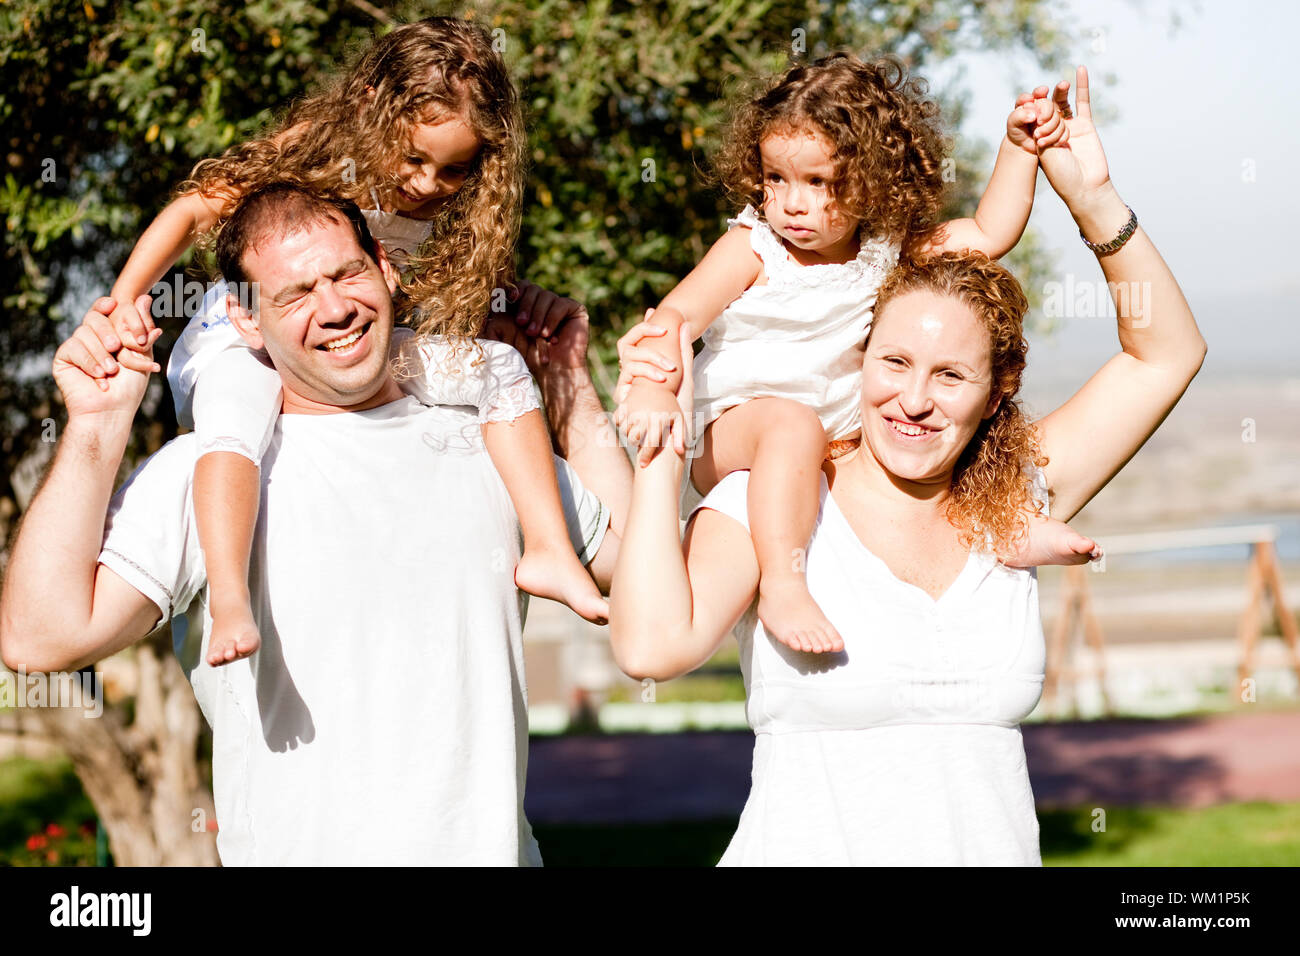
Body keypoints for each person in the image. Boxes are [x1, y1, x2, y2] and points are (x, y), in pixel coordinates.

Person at [608, 67, 1206, 865]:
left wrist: (1090, 196)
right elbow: (650, 651)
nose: (913, 400)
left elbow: (1166, 355)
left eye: (950, 375)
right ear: (860, 356)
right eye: (891, 361)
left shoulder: (1010, 493)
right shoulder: (774, 502)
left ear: (998, 393)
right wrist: (660, 435)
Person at [0, 185, 632, 865]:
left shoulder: (498, 448)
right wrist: (96, 426)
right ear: (245, 323)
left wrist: (571, 387)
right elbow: (39, 641)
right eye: (294, 294)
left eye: (347, 273)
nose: (334, 310)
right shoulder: (209, 475)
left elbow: (644, 582)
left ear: (386, 270)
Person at [80, 16, 607, 670]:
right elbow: (194, 210)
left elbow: (418, 308)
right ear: (370, 109)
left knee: (497, 370)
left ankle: (552, 548)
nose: (425, 184)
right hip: (239, 337)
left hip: (346, 350)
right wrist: (128, 295)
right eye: (413, 158)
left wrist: (495, 326)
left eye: (453, 171)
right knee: (236, 423)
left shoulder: (456, 217)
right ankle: (228, 594)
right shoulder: (323, 149)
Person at [615, 53, 1094, 656]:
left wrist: (1020, 148)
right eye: (775, 179)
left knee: (909, 453)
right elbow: (674, 317)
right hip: (737, 427)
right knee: (793, 426)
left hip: (828, 439)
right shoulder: (754, 246)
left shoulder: (885, 252)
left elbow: (989, 234)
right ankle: (784, 585)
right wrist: (657, 389)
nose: (791, 203)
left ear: (871, 179)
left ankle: (1001, 531)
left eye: (819, 184)